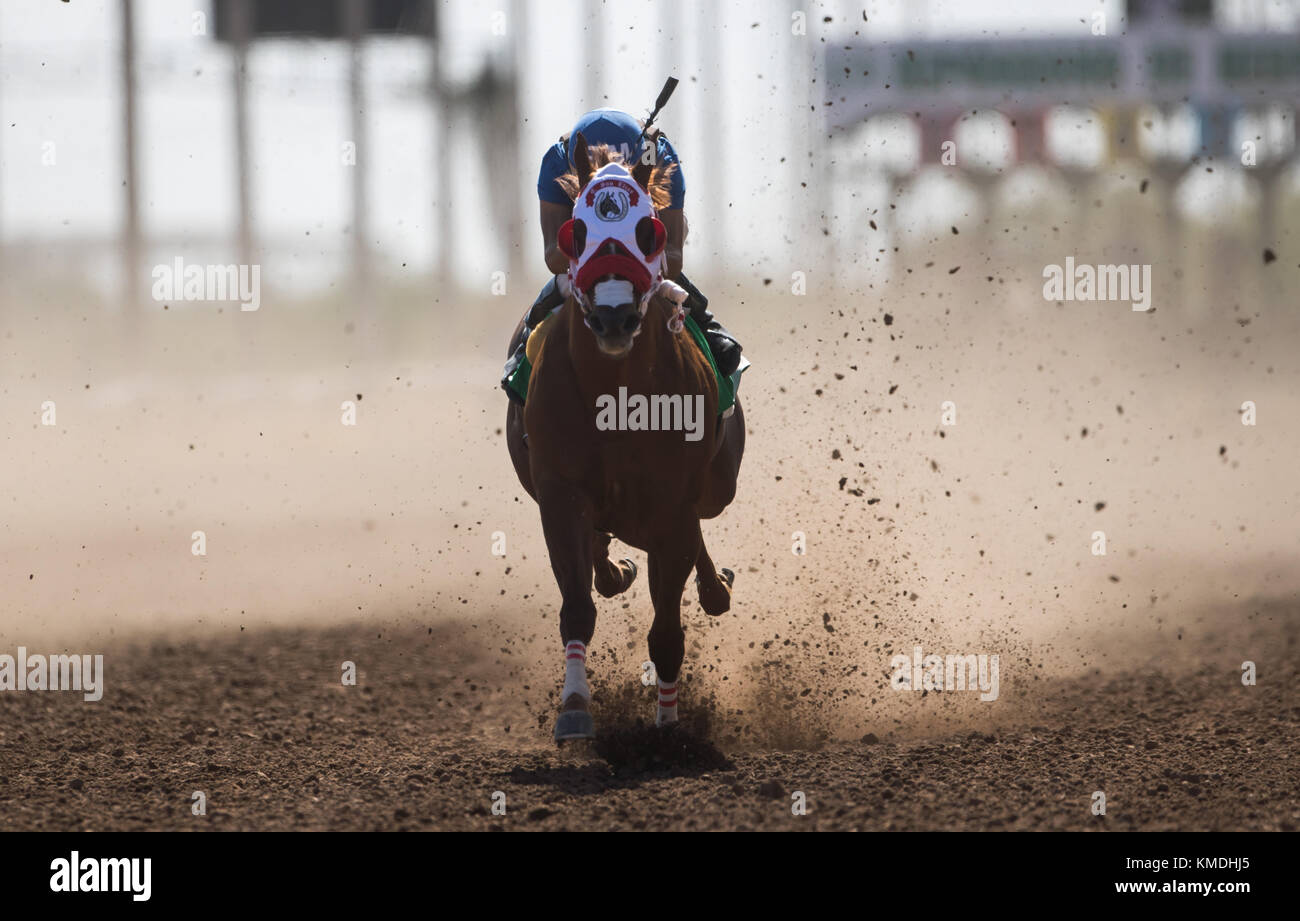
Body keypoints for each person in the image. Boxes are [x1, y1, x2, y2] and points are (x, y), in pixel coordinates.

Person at [502, 107, 742, 402]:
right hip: (582, 266)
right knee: (531, 337)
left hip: (644, 261)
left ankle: (710, 333)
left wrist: (630, 250)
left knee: (708, 333)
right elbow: (554, 256)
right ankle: (525, 354)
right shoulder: (557, 162)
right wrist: (597, 246)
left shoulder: (660, 156)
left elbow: (674, 257)